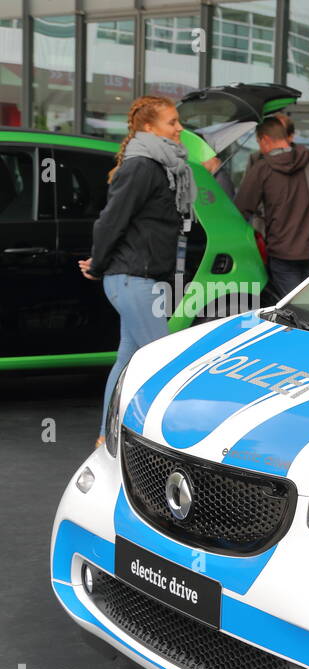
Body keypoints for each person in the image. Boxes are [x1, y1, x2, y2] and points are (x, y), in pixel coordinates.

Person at [78, 95, 193, 447]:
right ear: (148, 127)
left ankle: (104, 437)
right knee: (165, 364)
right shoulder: (142, 166)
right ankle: (174, 443)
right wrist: (98, 264)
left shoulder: (165, 168)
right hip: (132, 278)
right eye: (172, 122)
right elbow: (110, 220)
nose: (179, 128)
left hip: (141, 278)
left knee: (127, 360)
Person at [234, 116, 309, 300]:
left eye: (258, 143)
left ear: (265, 140)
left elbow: (242, 207)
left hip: (281, 250)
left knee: (292, 304)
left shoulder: (262, 168)